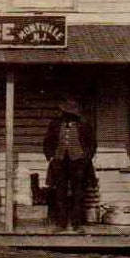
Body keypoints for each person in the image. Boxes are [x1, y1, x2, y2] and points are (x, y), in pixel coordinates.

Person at [43, 97, 97, 233]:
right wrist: (50, 157)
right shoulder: (55, 124)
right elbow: (47, 142)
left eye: (67, 112)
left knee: (78, 193)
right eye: (64, 112)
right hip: (59, 162)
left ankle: (77, 224)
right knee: (60, 193)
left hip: (78, 163)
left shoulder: (83, 124)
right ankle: (61, 224)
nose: (64, 114)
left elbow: (92, 144)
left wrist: (85, 159)